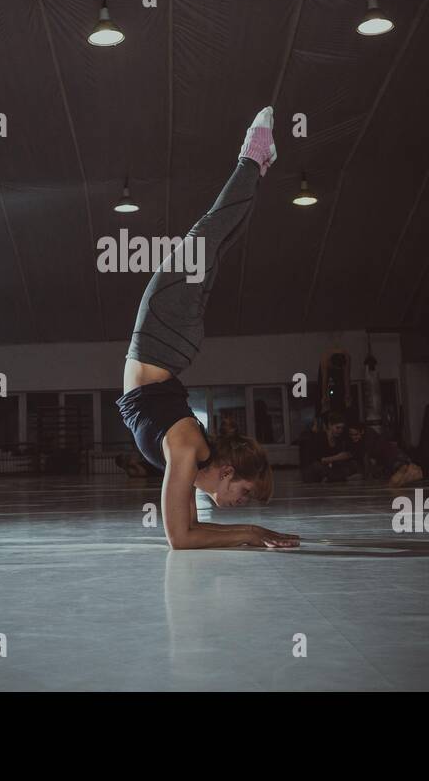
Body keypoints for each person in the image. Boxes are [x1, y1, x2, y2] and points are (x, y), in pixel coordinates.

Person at [118, 106, 300, 550]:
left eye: (248, 503)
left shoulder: (190, 456)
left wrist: (251, 533)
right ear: (227, 472)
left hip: (168, 340)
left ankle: (257, 163)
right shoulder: (187, 448)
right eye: (245, 493)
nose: (244, 504)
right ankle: (253, 157)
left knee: (214, 243)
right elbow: (182, 537)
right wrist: (253, 534)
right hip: (164, 334)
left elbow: (182, 536)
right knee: (210, 235)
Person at [299, 410, 357, 483]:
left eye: (342, 428)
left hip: (330, 467)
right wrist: (336, 458)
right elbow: (320, 460)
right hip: (314, 470)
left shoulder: (340, 439)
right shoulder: (319, 438)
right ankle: (337, 477)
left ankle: (333, 477)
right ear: (330, 425)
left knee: (353, 465)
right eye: (337, 428)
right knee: (317, 467)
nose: (340, 430)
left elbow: (349, 454)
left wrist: (334, 459)